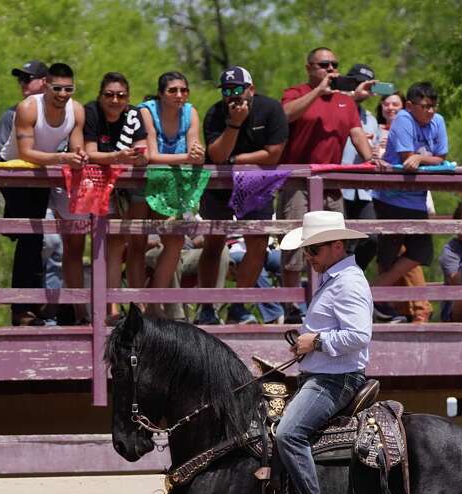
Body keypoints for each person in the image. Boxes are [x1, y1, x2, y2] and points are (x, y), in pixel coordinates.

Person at [274, 211, 372, 494]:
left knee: (288, 433)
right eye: (307, 250)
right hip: (325, 373)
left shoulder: (348, 283)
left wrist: (314, 342)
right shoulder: (336, 279)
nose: (308, 257)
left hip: (335, 379)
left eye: (313, 250)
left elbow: (359, 335)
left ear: (337, 246)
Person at [280, 51, 376, 324]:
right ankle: (290, 307)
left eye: (335, 65)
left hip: (331, 184)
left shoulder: (345, 101)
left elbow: (357, 134)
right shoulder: (296, 92)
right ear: (309, 67)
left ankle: (328, 302)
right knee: (294, 242)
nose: (331, 69)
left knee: (333, 246)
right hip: (298, 180)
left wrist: (371, 159)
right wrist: (318, 91)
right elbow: (286, 115)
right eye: (324, 65)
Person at [196, 66, 288, 325]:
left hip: (256, 183)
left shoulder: (270, 109)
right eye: (226, 91)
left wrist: (236, 160)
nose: (232, 96)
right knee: (214, 243)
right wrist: (234, 124)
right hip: (219, 185)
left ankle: (238, 305)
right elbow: (216, 156)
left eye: (238, 89)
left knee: (257, 244)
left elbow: (273, 154)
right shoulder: (215, 113)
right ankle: (206, 307)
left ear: (251, 89)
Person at [4, 62, 86, 326]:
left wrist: (79, 155)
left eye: (68, 89)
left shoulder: (77, 110)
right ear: (46, 86)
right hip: (15, 171)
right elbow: (26, 152)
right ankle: (20, 308)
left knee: (44, 241)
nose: (63, 94)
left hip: (44, 172)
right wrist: (62, 158)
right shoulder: (29, 107)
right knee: (28, 239)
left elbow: (76, 146)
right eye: (58, 88)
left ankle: (39, 305)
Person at [372, 81, 449, 324]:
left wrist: (420, 157)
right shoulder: (404, 119)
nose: (430, 111)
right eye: (425, 106)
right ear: (410, 105)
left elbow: (441, 157)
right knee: (388, 255)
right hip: (391, 198)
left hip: (416, 198)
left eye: (433, 106)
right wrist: (422, 157)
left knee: (420, 252)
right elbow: (407, 158)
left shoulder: (438, 121)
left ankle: (373, 294)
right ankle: (390, 308)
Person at [83, 72, 149, 315]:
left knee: (136, 243)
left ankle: (138, 307)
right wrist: (116, 157)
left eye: (121, 95)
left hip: (129, 185)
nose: (115, 100)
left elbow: (145, 152)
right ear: (100, 96)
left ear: (128, 98)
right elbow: (89, 152)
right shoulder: (91, 113)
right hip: (99, 185)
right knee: (111, 245)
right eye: (109, 95)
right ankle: (109, 308)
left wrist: (138, 157)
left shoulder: (134, 115)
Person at [139, 71, 204, 308]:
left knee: (175, 242)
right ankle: (139, 307)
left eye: (184, 90)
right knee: (136, 244)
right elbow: (152, 155)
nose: (179, 95)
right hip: (141, 184)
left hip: (172, 187)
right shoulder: (146, 111)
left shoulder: (191, 112)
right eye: (173, 90)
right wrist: (188, 156)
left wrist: (196, 155)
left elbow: (195, 149)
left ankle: (152, 303)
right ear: (160, 93)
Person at [339, 64, 381, 272]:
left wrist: (375, 152)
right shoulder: (336, 108)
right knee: (339, 241)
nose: (361, 87)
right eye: (356, 82)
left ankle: (349, 276)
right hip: (337, 186)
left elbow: (375, 154)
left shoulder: (371, 120)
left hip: (364, 190)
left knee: (372, 238)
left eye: (366, 84)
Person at [0, 60, 48, 162]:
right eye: (20, 79)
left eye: (27, 79)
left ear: (44, 81)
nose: (22, 83)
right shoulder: (11, 114)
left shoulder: (59, 111)